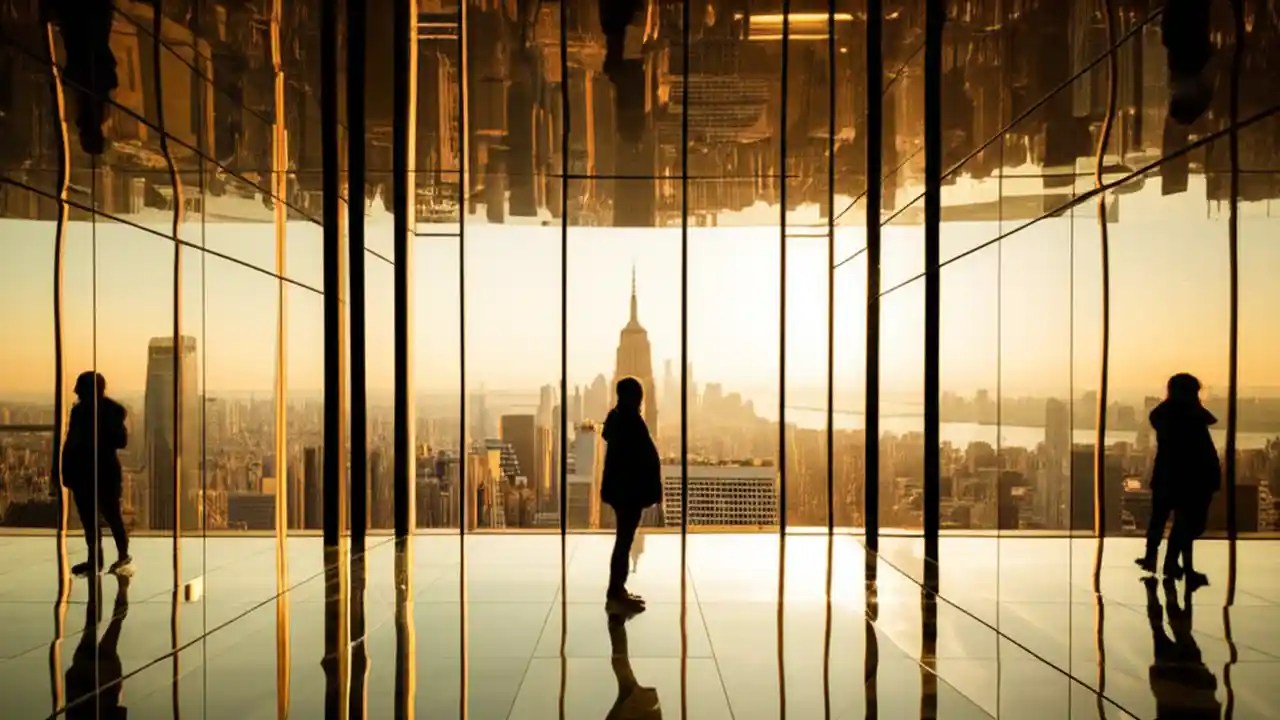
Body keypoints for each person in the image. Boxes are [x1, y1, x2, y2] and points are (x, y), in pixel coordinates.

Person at [1135, 373, 1219, 588]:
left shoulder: (1164, 416)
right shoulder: (1192, 418)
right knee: (1185, 524)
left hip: (1167, 475)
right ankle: (1174, 563)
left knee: (1161, 519)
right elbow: (1205, 447)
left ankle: (1155, 558)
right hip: (1191, 478)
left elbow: (1158, 419)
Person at [601, 377, 661, 614]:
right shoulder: (630, 421)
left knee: (623, 542)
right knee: (624, 542)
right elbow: (639, 458)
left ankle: (618, 589)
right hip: (628, 492)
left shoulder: (618, 419)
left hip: (621, 491)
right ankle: (616, 590)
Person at [62, 371, 132, 576]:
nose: (75, 391)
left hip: (99, 471)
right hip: (90, 472)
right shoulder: (86, 411)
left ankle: (120, 556)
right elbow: (71, 442)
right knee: (91, 519)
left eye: (79, 387)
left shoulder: (109, 412)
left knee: (109, 515)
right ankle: (98, 559)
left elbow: (120, 440)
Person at [1143, 576, 1221, 719]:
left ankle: (1165, 597)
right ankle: (1152, 594)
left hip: (1193, 675)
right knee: (1158, 630)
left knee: (1180, 632)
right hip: (1167, 679)